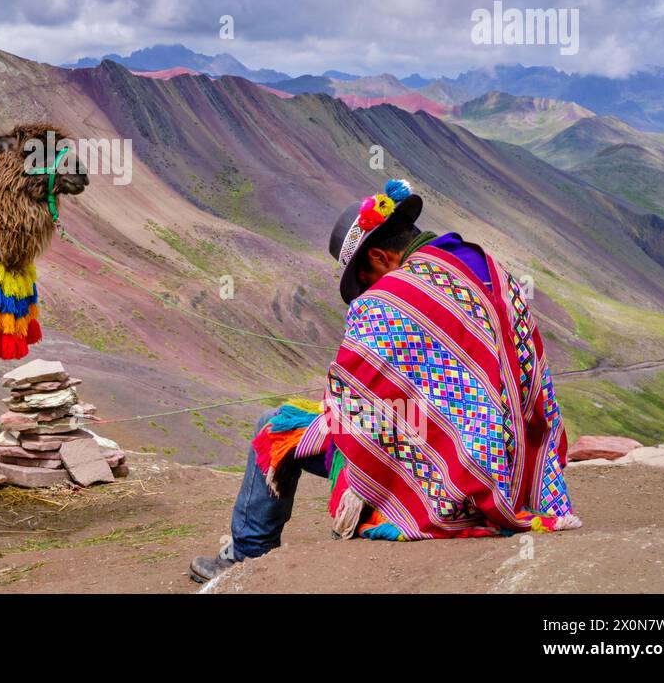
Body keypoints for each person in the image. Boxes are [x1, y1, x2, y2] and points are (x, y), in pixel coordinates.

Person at [190, 179, 577, 583]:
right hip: (515, 471)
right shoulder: (490, 269)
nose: (368, 289)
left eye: (365, 278)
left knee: (275, 427)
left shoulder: (390, 297)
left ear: (379, 256)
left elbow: (350, 403)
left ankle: (245, 557)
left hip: (447, 485)